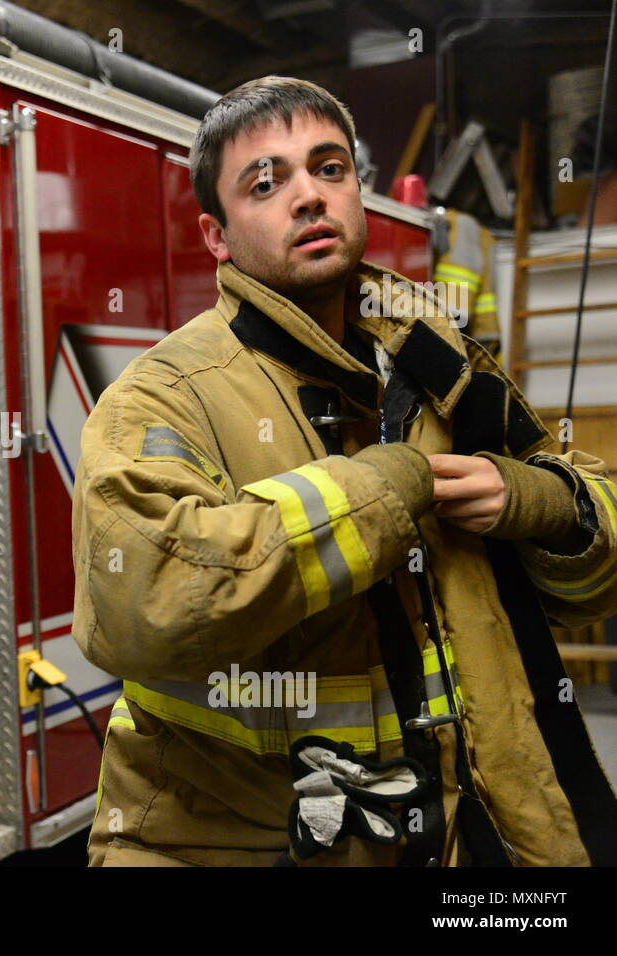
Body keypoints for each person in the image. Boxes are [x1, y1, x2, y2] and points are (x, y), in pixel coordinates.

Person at [72, 75, 617, 866]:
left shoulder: (437, 362)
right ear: (216, 234)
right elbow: (140, 605)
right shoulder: (163, 396)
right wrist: (391, 483)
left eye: (329, 169)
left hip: (456, 835)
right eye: (266, 182)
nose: (308, 196)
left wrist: (534, 500)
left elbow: (590, 570)